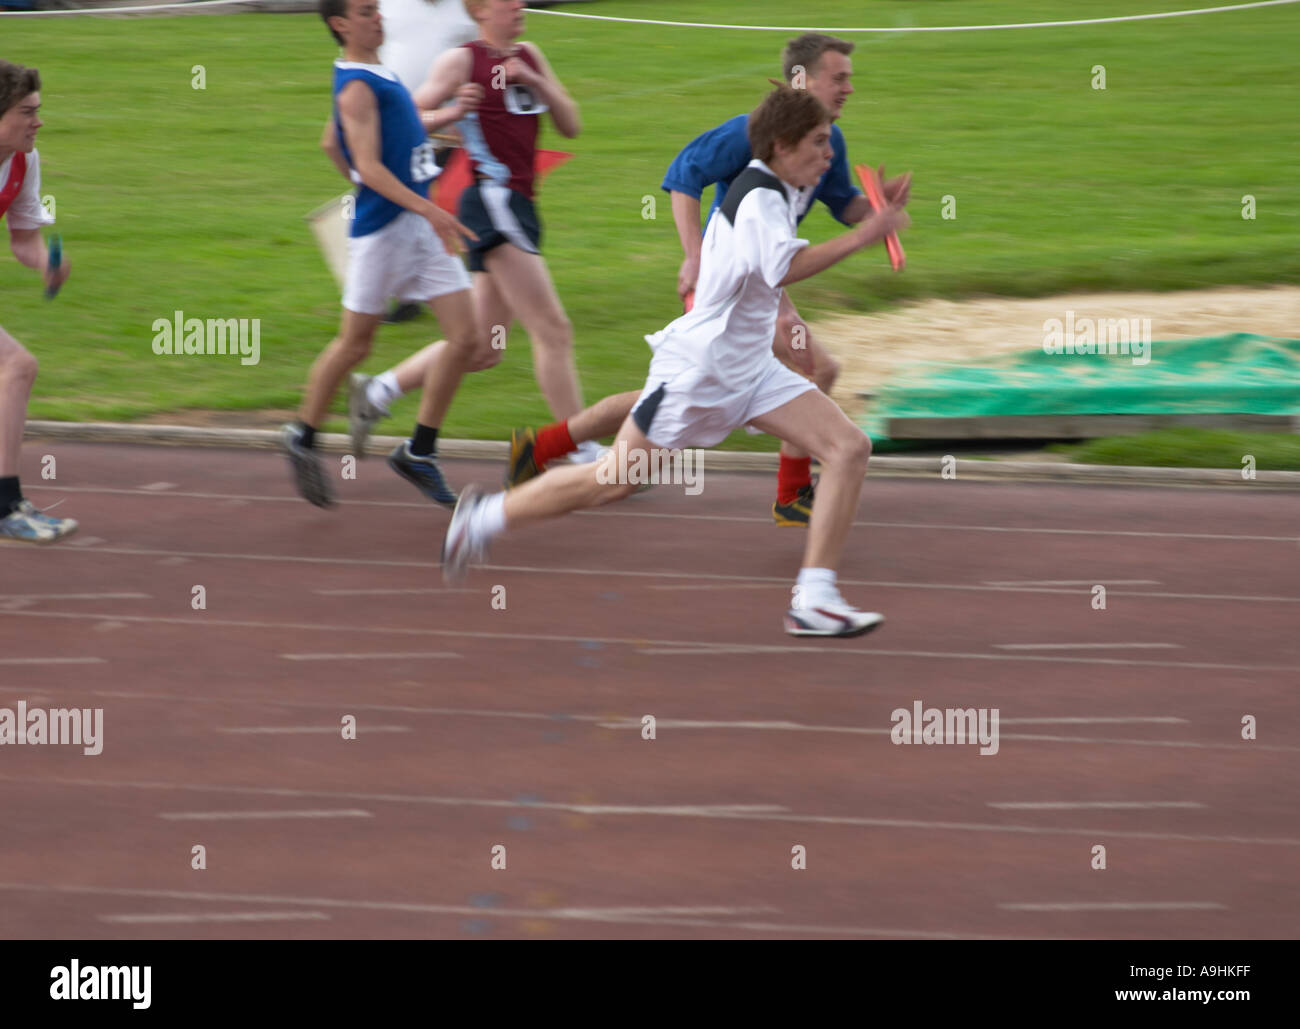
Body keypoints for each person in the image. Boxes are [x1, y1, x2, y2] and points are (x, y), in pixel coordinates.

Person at [442, 86, 910, 638]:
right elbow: (784, 269)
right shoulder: (758, 196)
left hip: (751, 371)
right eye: (818, 143)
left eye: (829, 143)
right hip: (700, 372)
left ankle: (814, 598)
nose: (829, 156)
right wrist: (864, 235)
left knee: (849, 447)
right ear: (782, 147)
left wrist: (875, 210)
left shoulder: (778, 188)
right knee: (611, 481)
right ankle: (482, 519)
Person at [505, 33, 910, 526]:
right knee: (810, 370)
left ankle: (542, 444)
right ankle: (791, 495)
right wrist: (693, 256)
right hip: (730, 280)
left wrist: (876, 209)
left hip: (766, 278)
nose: (849, 87)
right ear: (802, 79)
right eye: (839, 77)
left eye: (850, 78)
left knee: (667, 396)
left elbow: (842, 203)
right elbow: (682, 174)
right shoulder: (750, 133)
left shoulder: (828, 141)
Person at [356, 0, 603, 467]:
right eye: (508, 1)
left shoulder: (530, 54)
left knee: (484, 346)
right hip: (493, 202)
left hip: (521, 206)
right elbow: (406, 121)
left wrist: (535, 81)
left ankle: (379, 389)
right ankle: (581, 448)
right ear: (482, 9)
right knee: (554, 329)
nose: (520, 6)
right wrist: (450, 115)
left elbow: (571, 125)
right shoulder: (463, 60)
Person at [282, 0, 483, 508]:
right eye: (367, 11)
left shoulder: (376, 69)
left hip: (419, 224)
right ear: (340, 25)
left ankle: (419, 451)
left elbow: (335, 142)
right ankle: (302, 437)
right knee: (355, 346)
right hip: (384, 233)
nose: (380, 17)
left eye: (377, 9)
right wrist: (428, 209)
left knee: (466, 339)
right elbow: (368, 165)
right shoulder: (355, 86)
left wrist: (450, 115)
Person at [0, 60, 75, 544]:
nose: (38, 121)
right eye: (27, 111)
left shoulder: (25, 162)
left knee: (16, 367)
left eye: (39, 110)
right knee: (16, 365)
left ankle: (8, 504)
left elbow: (23, 239)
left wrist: (44, 264)